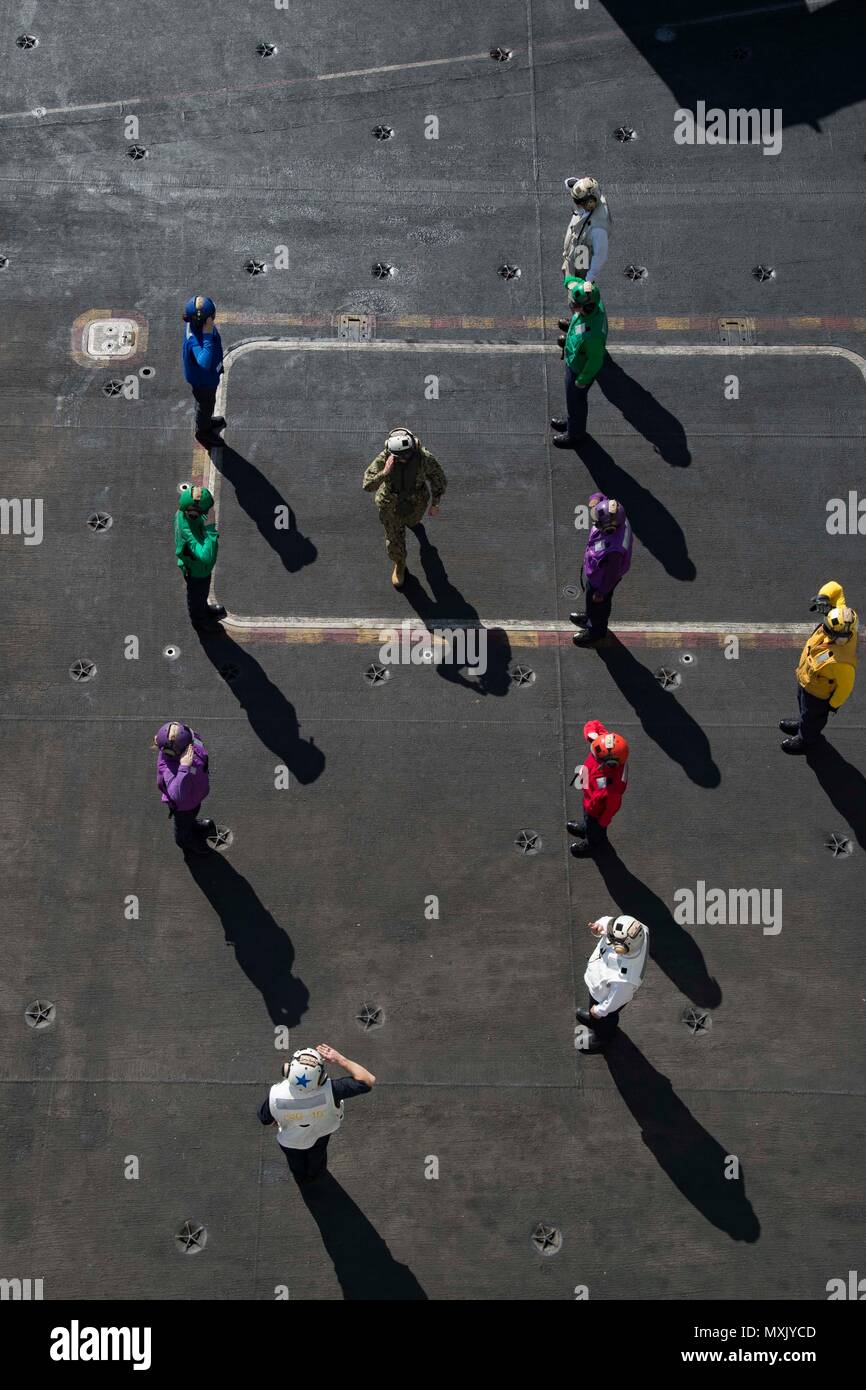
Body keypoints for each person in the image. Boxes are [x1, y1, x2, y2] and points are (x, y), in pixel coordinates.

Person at [259, 1045, 376, 1186]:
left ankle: (301, 1179)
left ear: (287, 1070)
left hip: (291, 1141)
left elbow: (266, 1119)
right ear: (320, 1078)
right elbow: (368, 1080)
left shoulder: (275, 1094)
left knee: (296, 1164)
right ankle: (315, 1175)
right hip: (320, 1134)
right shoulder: (333, 1090)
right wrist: (340, 1059)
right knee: (317, 1159)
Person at [363, 426, 447, 588]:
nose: (403, 459)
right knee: (394, 540)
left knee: (414, 522)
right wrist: (384, 473)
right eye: (399, 456)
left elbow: (439, 480)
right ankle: (400, 564)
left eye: (407, 455)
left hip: (416, 504)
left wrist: (435, 503)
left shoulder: (424, 458)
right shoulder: (384, 458)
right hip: (390, 507)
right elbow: (367, 485)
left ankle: (413, 524)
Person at [781, 581, 858, 753]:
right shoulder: (842, 617)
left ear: (843, 636)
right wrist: (824, 596)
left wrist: (832, 705)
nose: (825, 631)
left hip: (818, 694)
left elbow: (846, 687)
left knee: (812, 717)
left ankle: (806, 740)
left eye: (829, 631)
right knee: (804, 708)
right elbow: (836, 589)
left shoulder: (843, 662)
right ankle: (803, 724)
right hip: (807, 682)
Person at [549, 277, 608, 448]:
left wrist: (582, 380)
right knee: (572, 401)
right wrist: (568, 280)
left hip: (579, 369)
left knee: (576, 401)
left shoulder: (593, 336)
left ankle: (575, 434)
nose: (573, 308)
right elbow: (577, 283)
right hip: (574, 361)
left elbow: (596, 361)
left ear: (587, 307)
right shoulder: (594, 306)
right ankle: (572, 422)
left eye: (576, 306)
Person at [576, 915, 648, 1052]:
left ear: (621, 948)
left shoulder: (625, 978)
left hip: (603, 997)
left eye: (611, 937)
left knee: (605, 1020)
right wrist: (599, 926)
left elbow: (619, 998)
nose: (607, 935)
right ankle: (594, 1020)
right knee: (596, 1014)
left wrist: (600, 1010)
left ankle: (602, 1037)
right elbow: (608, 922)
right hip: (599, 988)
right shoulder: (638, 930)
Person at [571, 493, 632, 646]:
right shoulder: (616, 514)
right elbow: (601, 497)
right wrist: (596, 500)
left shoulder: (614, 552)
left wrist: (602, 592)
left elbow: (611, 576)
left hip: (601, 581)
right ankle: (589, 615)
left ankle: (596, 633)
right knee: (591, 602)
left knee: (599, 606)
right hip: (596, 575)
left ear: (609, 527)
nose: (594, 522)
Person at [567, 719, 629, 857]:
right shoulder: (607, 748)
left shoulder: (613, 786)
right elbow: (593, 724)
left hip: (596, 812)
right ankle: (586, 828)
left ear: (610, 763)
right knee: (588, 820)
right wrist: (593, 735)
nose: (594, 757)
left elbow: (612, 807)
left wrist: (602, 822)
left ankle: (592, 845)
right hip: (589, 799)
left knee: (595, 831)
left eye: (597, 758)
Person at [153, 721, 214, 856]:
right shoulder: (168, 767)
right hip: (184, 806)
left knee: (192, 815)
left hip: (195, 797)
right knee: (183, 826)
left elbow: (192, 735)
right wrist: (184, 767)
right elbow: (177, 795)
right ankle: (186, 842)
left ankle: (192, 824)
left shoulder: (189, 738)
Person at [174, 484, 226, 632]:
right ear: (195, 513)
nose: (209, 513)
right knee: (197, 596)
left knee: (201, 595)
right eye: (207, 511)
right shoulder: (188, 533)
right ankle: (200, 622)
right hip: (197, 571)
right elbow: (206, 557)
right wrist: (210, 529)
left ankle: (204, 609)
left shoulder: (182, 514)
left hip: (195, 566)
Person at [181, 294, 226, 449]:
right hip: (203, 381)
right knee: (205, 404)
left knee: (207, 404)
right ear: (205, 320)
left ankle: (206, 421)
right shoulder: (196, 338)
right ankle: (203, 431)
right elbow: (204, 362)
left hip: (208, 376)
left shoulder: (197, 326)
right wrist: (207, 335)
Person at [561, 176, 612, 285]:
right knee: (569, 269)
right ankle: (569, 266)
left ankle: (577, 293)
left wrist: (588, 280)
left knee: (577, 287)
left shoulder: (599, 228)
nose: (577, 205)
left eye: (580, 203)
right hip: (579, 244)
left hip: (583, 253)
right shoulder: (588, 199)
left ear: (591, 202)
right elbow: (578, 186)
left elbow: (600, 256)